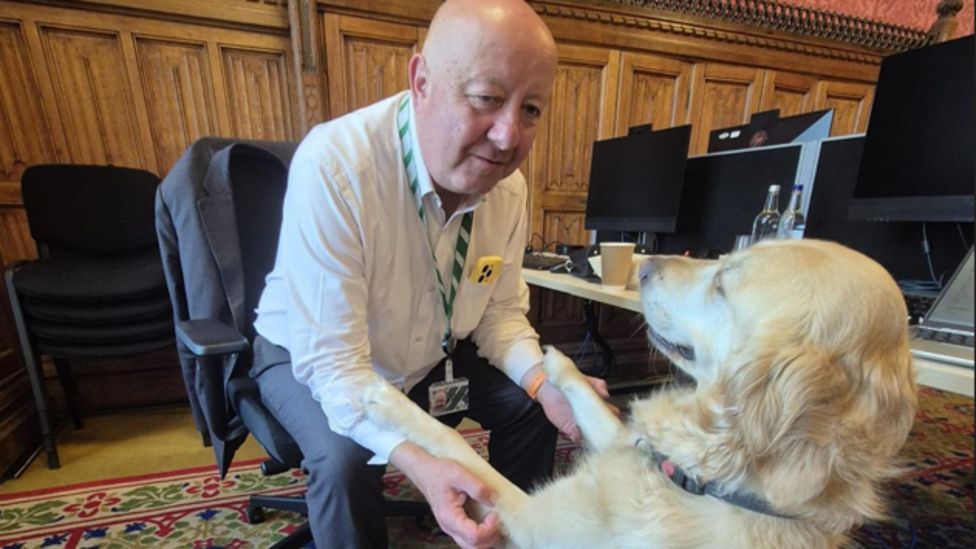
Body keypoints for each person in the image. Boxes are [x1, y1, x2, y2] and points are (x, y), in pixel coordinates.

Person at [251, 0, 610, 547]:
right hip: (311, 357)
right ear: (421, 81)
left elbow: (501, 318)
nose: (509, 136)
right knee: (346, 460)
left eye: (532, 109)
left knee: (535, 408)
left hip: (433, 351)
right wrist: (420, 459)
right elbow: (337, 370)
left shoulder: (507, 189)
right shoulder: (336, 165)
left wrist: (546, 383)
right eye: (488, 98)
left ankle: (513, 534)